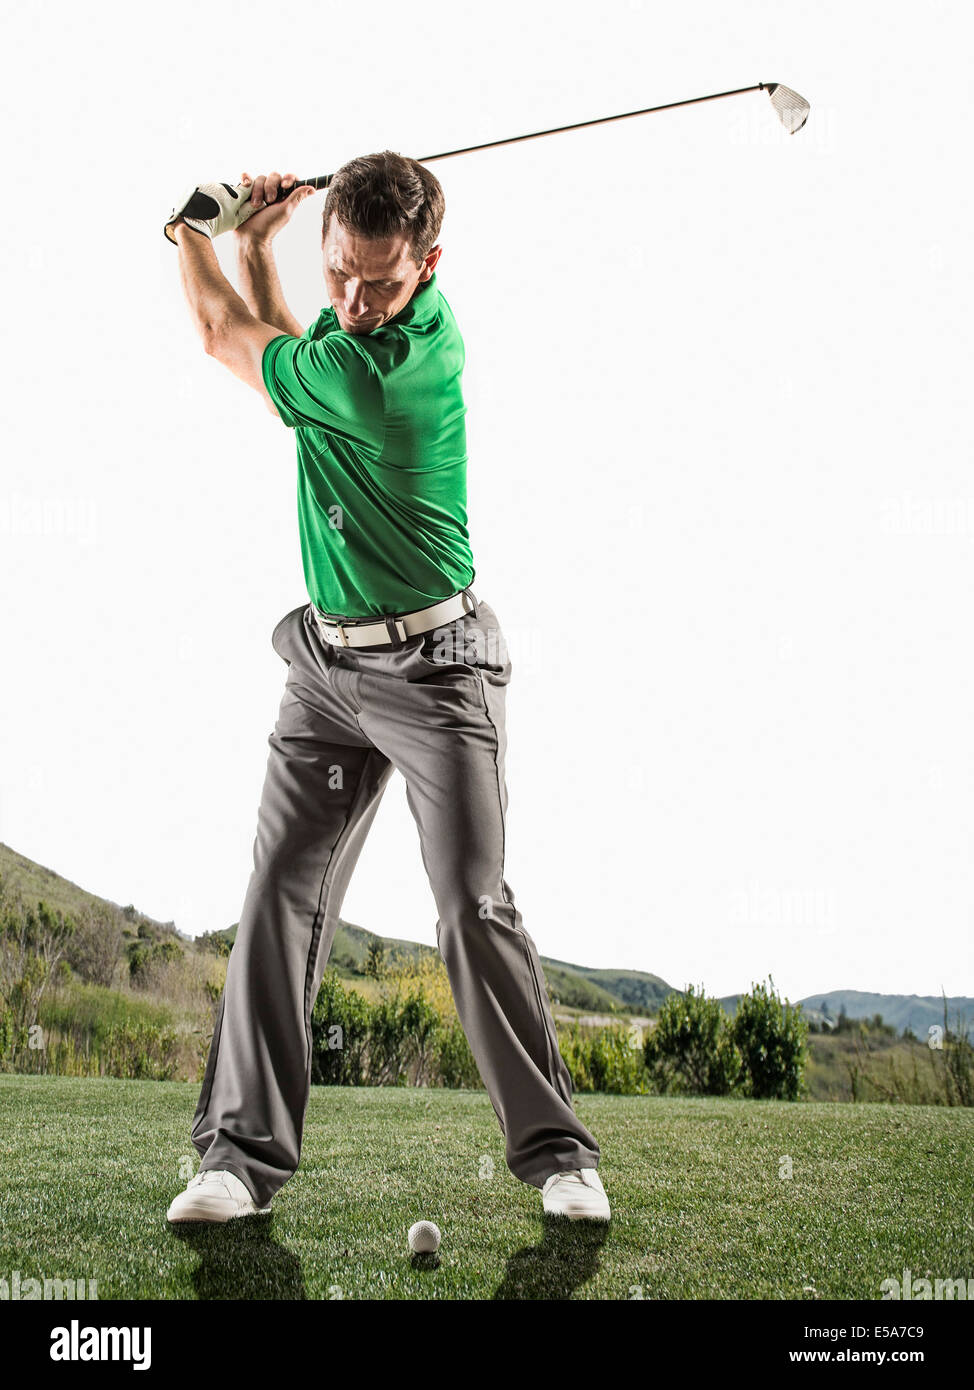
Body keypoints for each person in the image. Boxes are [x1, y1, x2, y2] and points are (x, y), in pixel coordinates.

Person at [163, 151, 609, 1224]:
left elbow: (230, 339)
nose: (356, 304)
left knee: (470, 900)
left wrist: (188, 230)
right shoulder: (350, 342)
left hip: (432, 671)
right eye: (341, 277)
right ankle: (236, 1157)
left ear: (429, 267)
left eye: (382, 284)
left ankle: (559, 1158)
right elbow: (291, 366)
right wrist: (263, 246)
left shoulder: (393, 370)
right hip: (324, 669)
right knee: (278, 888)